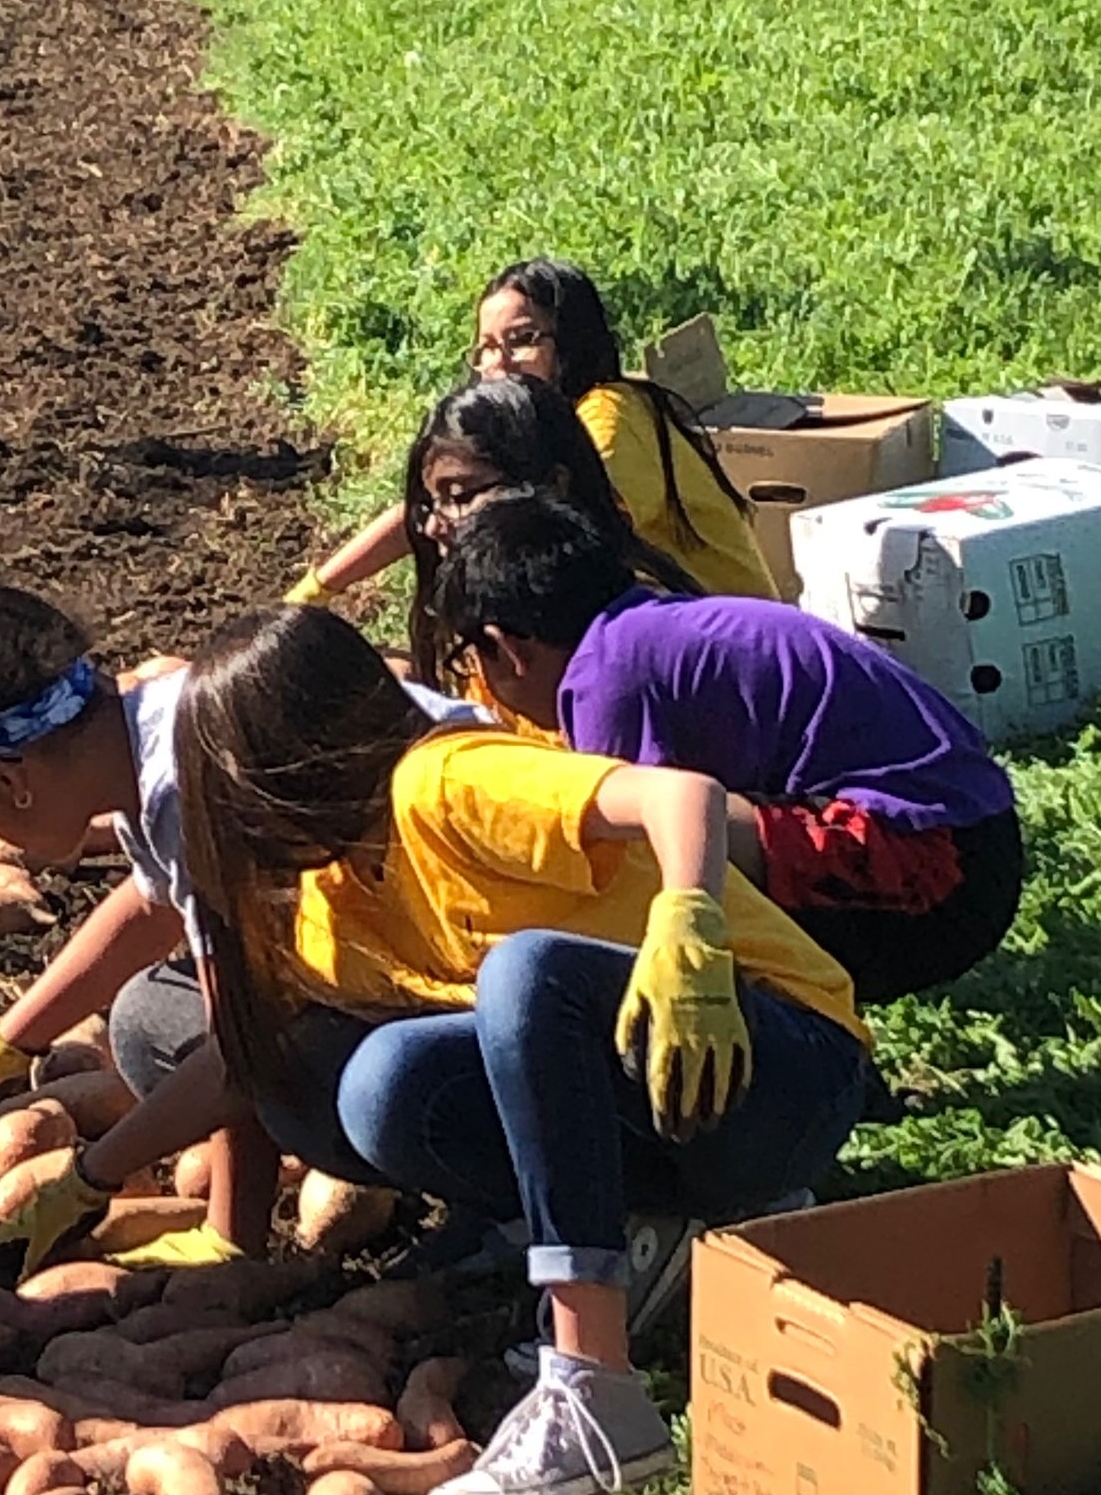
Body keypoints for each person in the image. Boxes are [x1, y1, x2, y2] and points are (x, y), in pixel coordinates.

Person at [173, 604, 873, 1495]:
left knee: (527, 974)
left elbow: (682, 796)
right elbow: (243, 1058)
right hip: (673, 1099)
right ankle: (663, 1222)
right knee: (362, 1085)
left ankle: (597, 1393)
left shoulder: (445, 783)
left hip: (782, 1063)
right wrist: (83, 1174)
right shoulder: (336, 895)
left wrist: (689, 923)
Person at [0, 550, 480, 1268]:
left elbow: (245, 1044)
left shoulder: (190, 786)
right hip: (421, 965)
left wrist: (88, 1182)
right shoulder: (145, 729)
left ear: (7, 776)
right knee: (152, 1018)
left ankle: (511, 1208)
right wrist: (6, 1043)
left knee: (350, 1089)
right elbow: (159, 909)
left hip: (485, 983)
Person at [432, 491, 1024, 1004]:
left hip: (940, 868)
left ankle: (805, 1023)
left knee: (661, 839)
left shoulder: (605, 677)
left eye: (473, 662)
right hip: (973, 831)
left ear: (505, 648)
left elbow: (625, 863)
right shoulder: (640, 628)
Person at [292, 256, 780, 609]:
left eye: (522, 340)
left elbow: (536, 533)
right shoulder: (528, 428)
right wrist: (314, 592)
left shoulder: (608, 418)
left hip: (716, 640)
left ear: (571, 341)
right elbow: (426, 505)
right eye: (484, 348)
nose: (497, 363)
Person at [392, 377, 694, 695]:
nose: (433, 527)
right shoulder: (485, 607)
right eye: (430, 504)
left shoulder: (629, 629)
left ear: (553, 486)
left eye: (461, 496)